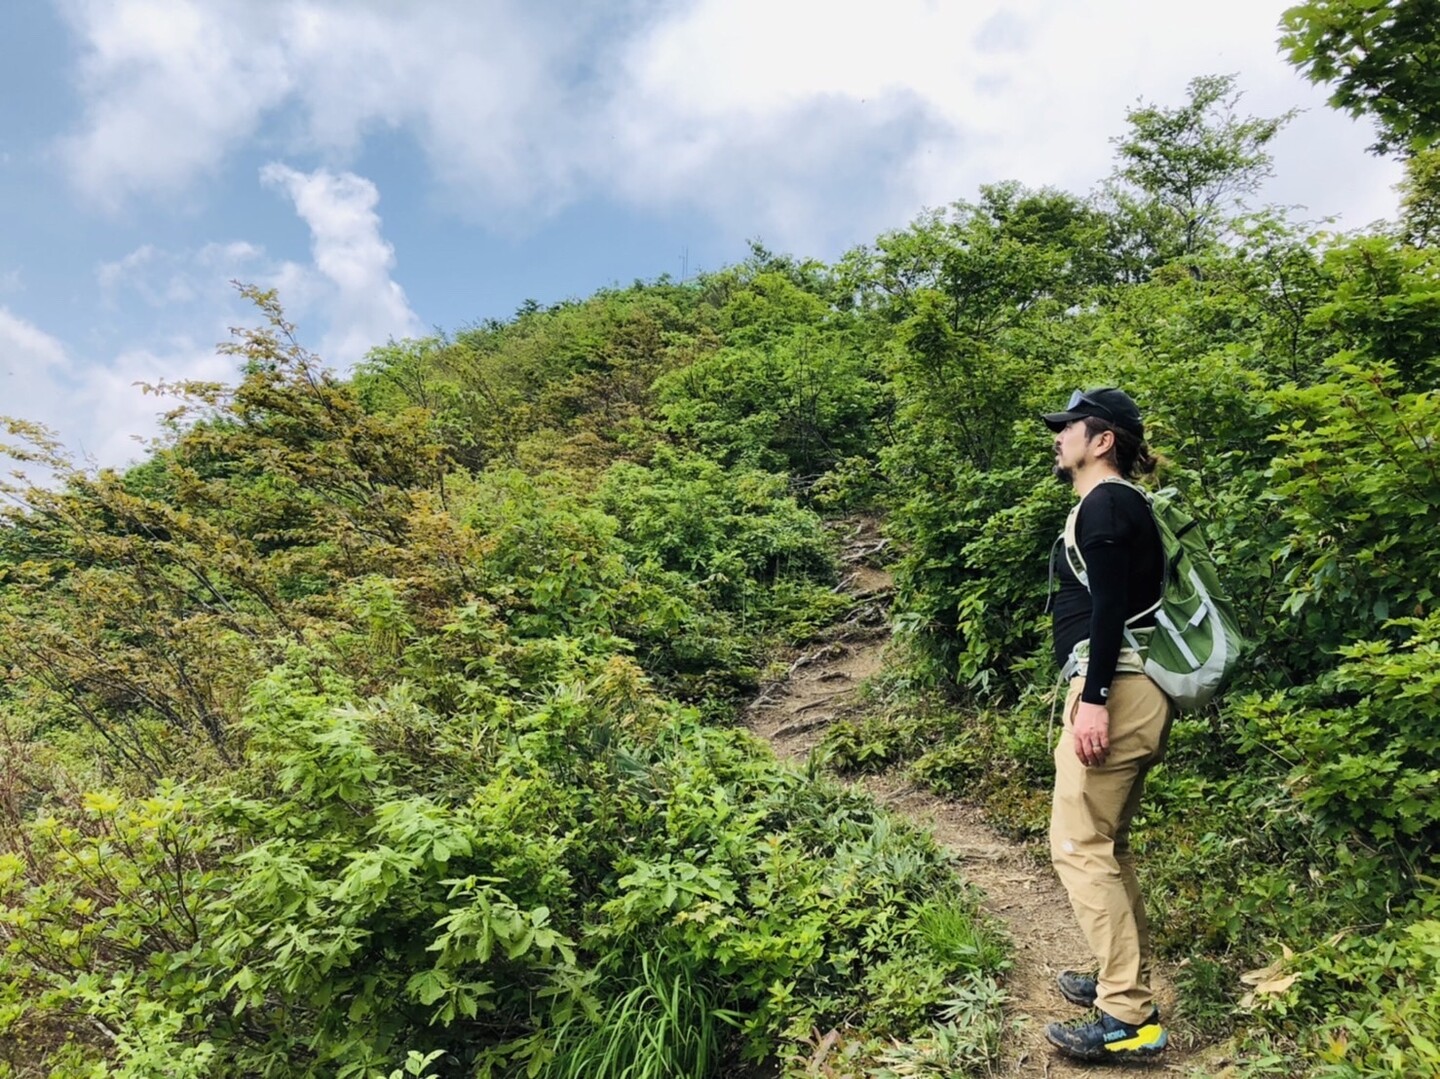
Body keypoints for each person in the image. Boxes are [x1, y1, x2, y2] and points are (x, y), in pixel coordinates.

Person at [1039, 387, 1171, 1062]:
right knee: (1106, 846)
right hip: (1123, 689)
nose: (1058, 435)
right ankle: (1118, 981)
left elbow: (1112, 603)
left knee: (1077, 843)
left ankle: (1129, 1016)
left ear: (1103, 440)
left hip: (1115, 691)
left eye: (1070, 427)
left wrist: (1092, 698)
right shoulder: (1111, 504)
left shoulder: (1108, 501)